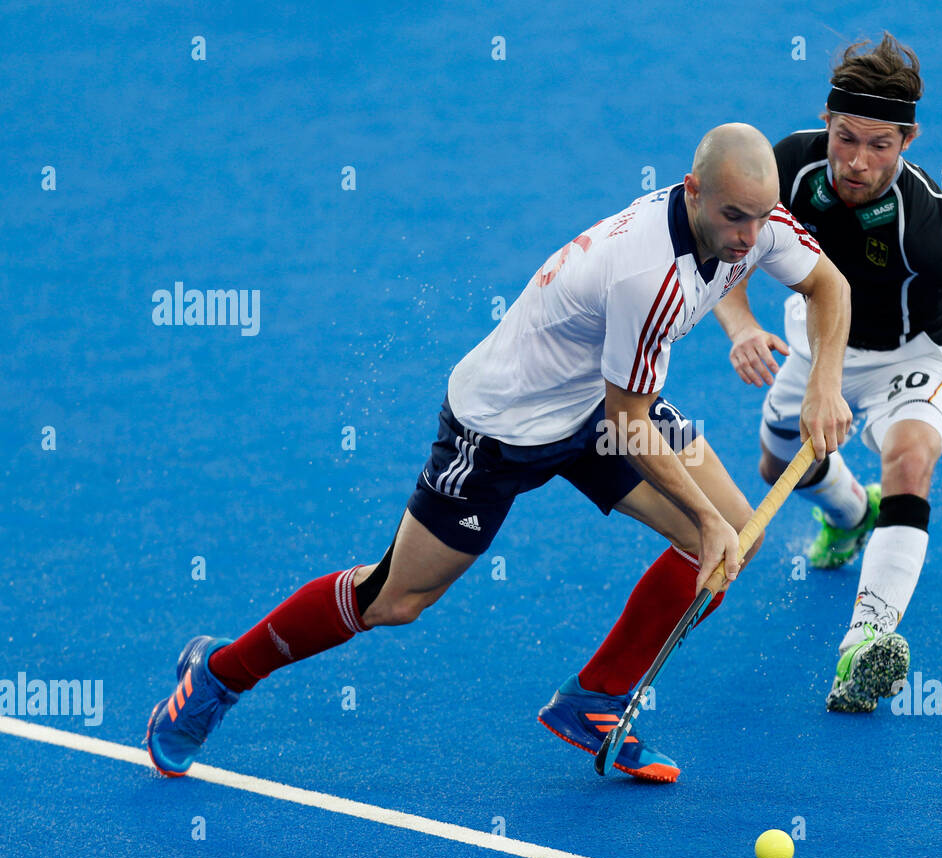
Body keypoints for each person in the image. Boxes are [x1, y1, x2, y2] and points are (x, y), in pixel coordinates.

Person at [145, 123, 853, 783]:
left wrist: (821, 385)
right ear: (693, 190)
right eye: (735, 217)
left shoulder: (756, 226)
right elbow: (630, 421)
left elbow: (829, 285)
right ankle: (219, 675)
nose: (750, 237)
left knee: (736, 534)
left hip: (597, 400)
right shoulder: (647, 275)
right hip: (502, 428)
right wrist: (703, 518)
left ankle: (594, 699)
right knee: (396, 599)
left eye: (762, 217)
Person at [713, 35, 942, 713]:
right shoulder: (786, 169)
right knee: (778, 468)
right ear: (826, 123)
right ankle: (852, 511)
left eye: (881, 144)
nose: (858, 162)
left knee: (912, 457)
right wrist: (742, 325)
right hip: (817, 343)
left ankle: (865, 640)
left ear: (909, 141)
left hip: (914, 354)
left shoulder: (929, 225)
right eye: (845, 137)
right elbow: (717, 251)